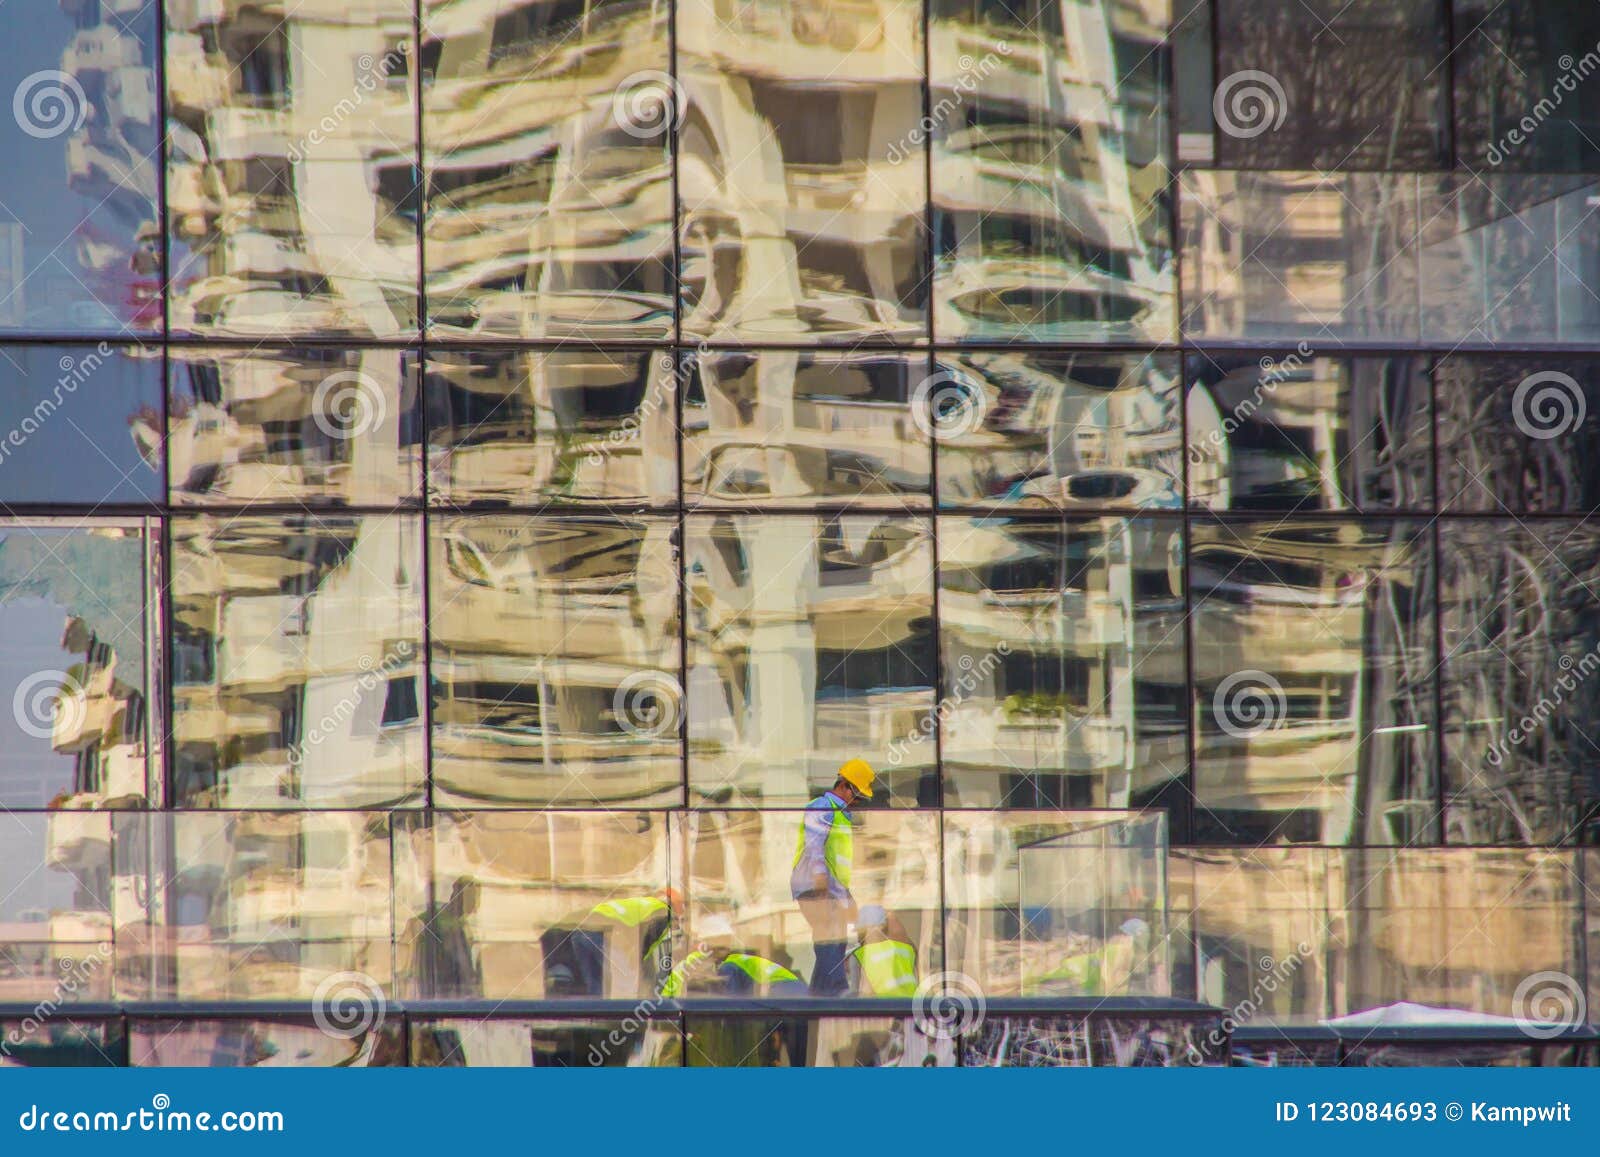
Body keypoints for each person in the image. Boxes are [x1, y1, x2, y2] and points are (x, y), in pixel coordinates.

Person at [791, 758, 874, 995]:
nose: (856, 802)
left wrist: (846, 896)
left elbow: (837, 865)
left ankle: (818, 993)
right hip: (813, 884)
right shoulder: (823, 806)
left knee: (835, 938)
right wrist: (819, 877)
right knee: (830, 935)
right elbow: (815, 843)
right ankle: (836, 989)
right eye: (857, 796)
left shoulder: (841, 816)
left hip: (830, 886)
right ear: (844, 785)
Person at [660, 915, 808, 998]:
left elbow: (729, 1005)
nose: (725, 946)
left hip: (790, 1002)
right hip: (799, 1000)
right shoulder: (728, 963)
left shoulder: (730, 966)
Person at [850, 905, 918, 997]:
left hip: (882, 1004)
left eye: (860, 932)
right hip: (909, 1003)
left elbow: (863, 993)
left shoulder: (861, 955)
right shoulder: (905, 949)